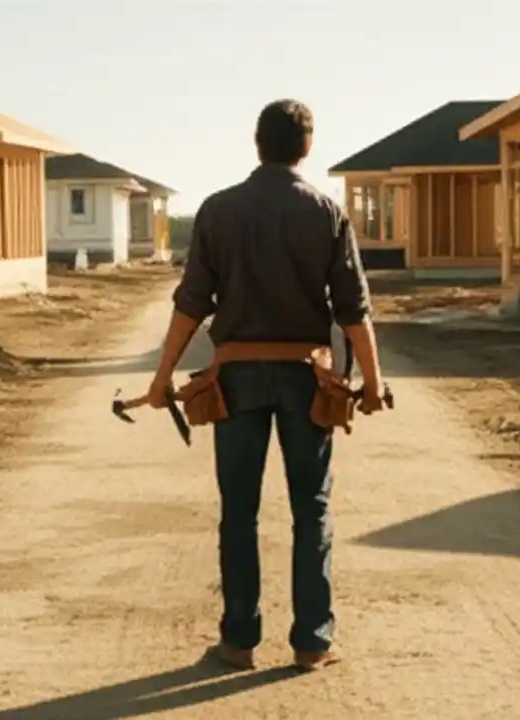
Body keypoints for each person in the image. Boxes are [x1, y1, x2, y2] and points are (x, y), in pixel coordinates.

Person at [146, 99, 385, 672]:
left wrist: (161, 379)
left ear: (257, 144)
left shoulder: (218, 211)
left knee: (239, 512)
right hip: (309, 379)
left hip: (237, 380)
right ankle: (311, 642)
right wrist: (373, 381)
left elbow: (190, 303)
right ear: (306, 147)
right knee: (312, 510)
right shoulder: (326, 212)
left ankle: (238, 641)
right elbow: (353, 309)